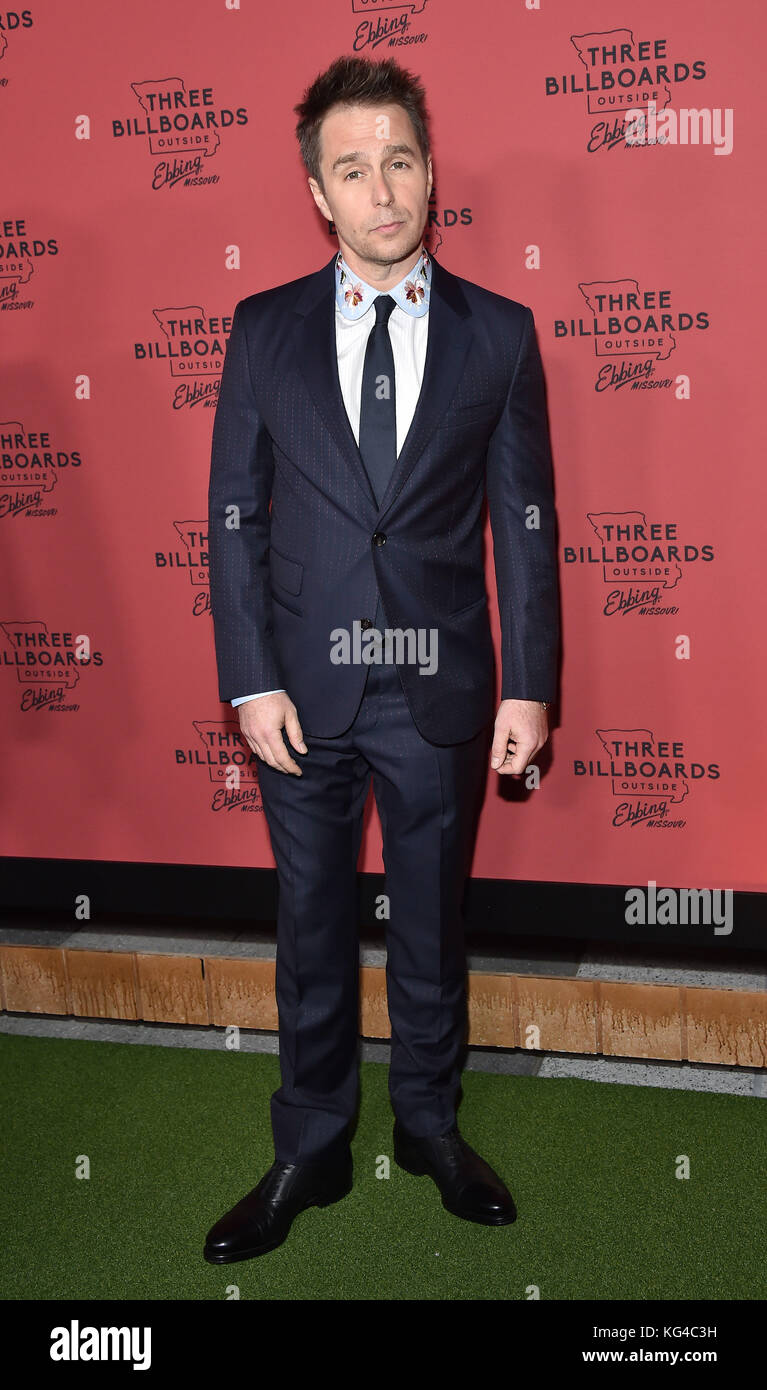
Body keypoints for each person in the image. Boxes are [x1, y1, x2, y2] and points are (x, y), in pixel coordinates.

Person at [204, 54, 559, 1264]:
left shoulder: (499, 337)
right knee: (309, 924)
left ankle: (426, 1125)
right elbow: (234, 515)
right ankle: (310, 1140)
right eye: (351, 168)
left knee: (429, 923)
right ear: (317, 192)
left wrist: (528, 681)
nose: (381, 188)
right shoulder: (261, 332)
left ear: (429, 170)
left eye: (398, 160)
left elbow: (522, 521)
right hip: (300, 693)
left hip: (437, 688)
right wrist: (249, 679)